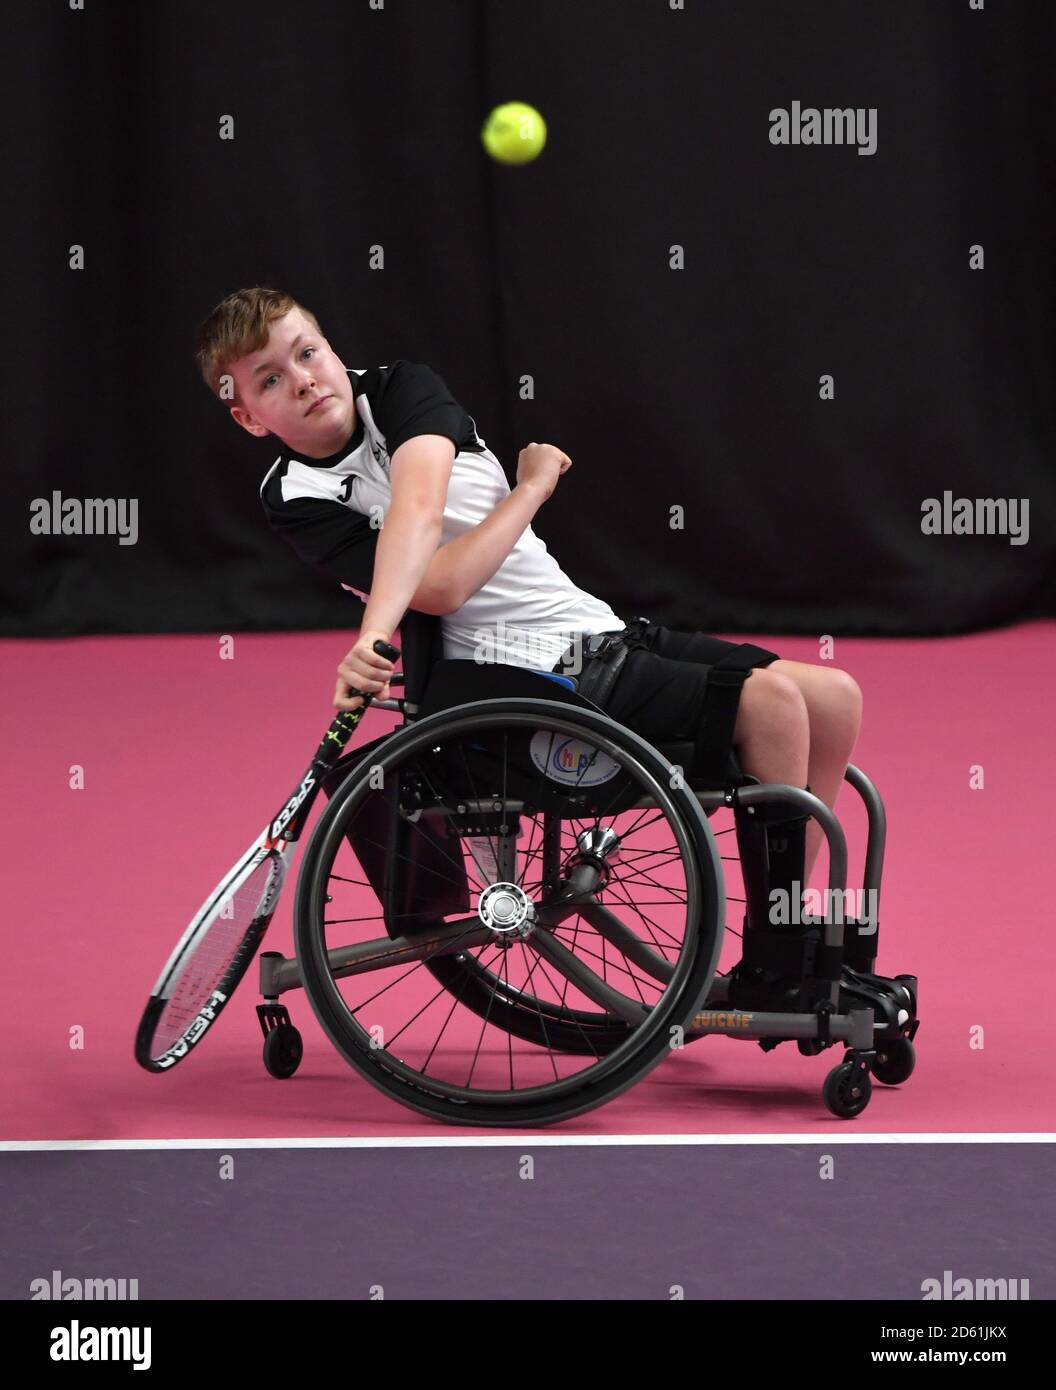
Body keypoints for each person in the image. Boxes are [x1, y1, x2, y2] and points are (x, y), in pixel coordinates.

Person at [194, 286, 867, 1005]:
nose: (301, 379)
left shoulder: (399, 392)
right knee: (772, 705)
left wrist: (524, 495)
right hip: (515, 671)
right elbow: (445, 586)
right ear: (248, 418)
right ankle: (778, 965)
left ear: (331, 349)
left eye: (307, 352)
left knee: (832, 697)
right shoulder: (295, 494)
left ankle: (788, 934)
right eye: (269, 379)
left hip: (590, 633)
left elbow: (418, 508)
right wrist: (533, 487)